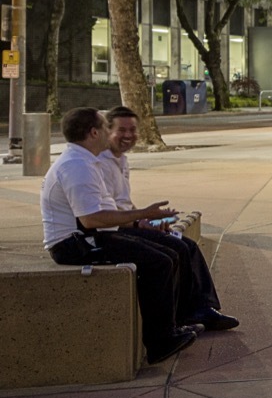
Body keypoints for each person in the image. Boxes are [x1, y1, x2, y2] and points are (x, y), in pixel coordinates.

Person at [41, 108, 199, 363]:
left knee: (170, 252)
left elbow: (102, 215)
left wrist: (140, 220)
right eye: (105, 127)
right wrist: (143, 213)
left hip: (92, 238)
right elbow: (92, 219)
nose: (108, 132)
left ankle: (173, 327)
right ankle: (160, 341)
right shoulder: (76, 166)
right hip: (74, 245)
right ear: (93, 133)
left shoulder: (85, 161)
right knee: (159, 262)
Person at [100, 106, 236, 332]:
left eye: (133, 130)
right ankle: (182, 317)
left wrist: (151, 221)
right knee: (175, 249)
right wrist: (142, 222)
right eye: (121, 130)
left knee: (187, 245)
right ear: (107, 131)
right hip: (113, 229)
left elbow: (125, 204)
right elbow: (107, 215)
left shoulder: (120, 160)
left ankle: (204, 308)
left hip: (130, 223)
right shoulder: (101, 164)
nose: (128, 136)